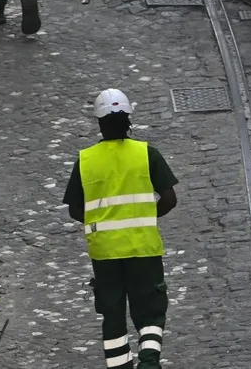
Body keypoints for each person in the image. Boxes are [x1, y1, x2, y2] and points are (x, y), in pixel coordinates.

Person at [65, 89, 178, 369]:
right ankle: (149, 363)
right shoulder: (146, 154)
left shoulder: (86, 160)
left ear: (99, 123)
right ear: (129, 119)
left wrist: (100, 225)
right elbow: (170, 199)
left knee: (112, 314)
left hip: (104, 252)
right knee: (151, 311)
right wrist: (144, 219)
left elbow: (75, 209)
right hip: (143, 248)